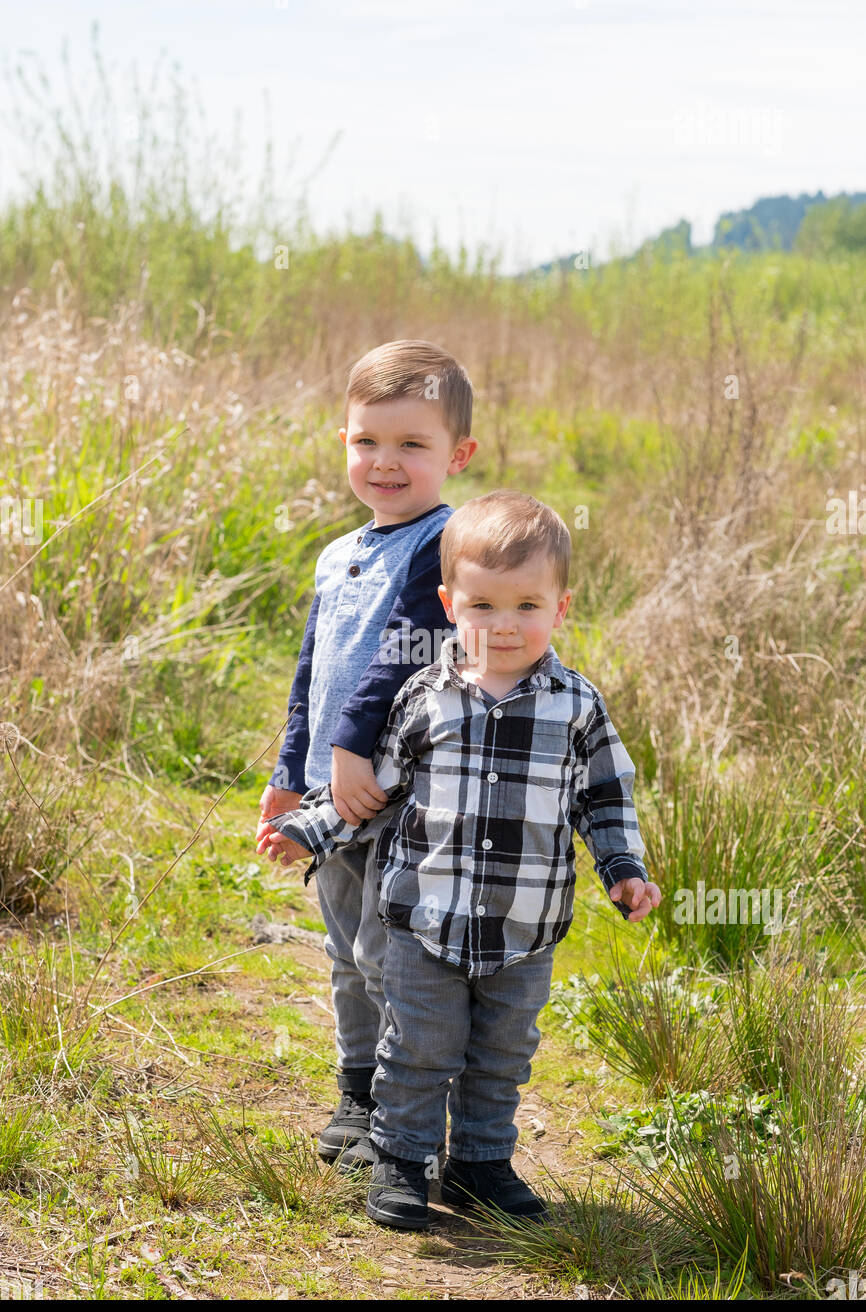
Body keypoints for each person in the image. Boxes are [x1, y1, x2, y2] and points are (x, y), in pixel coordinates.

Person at [257, 490, 661, 1229]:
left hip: (524, 926)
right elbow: (373, 787)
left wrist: (622, 869)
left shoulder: (576, 706)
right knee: (417, 1046)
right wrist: (307, 830)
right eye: (482, 606)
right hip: (425, 918)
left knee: (502, 1056)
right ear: (449, 604)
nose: (503, 626)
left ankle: (480, 1162)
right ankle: (403, 1162)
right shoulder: (424, 698)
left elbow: (604, 796)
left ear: (560, 609)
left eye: (526, 606)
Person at [257, 339, 477, 1169]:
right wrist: (292, 775)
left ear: (457, 455)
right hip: (330, 788)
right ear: (343, 440)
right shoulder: (338, 552)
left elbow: (405, 648)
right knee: (343, 950)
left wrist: (350, 747)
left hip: (394, 790)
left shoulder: (445, 544)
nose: (386, 462)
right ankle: (356, 1089)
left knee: (391, 957)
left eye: (412, 445)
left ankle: (407, 1111)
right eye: (366, 442)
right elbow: (312, 670)